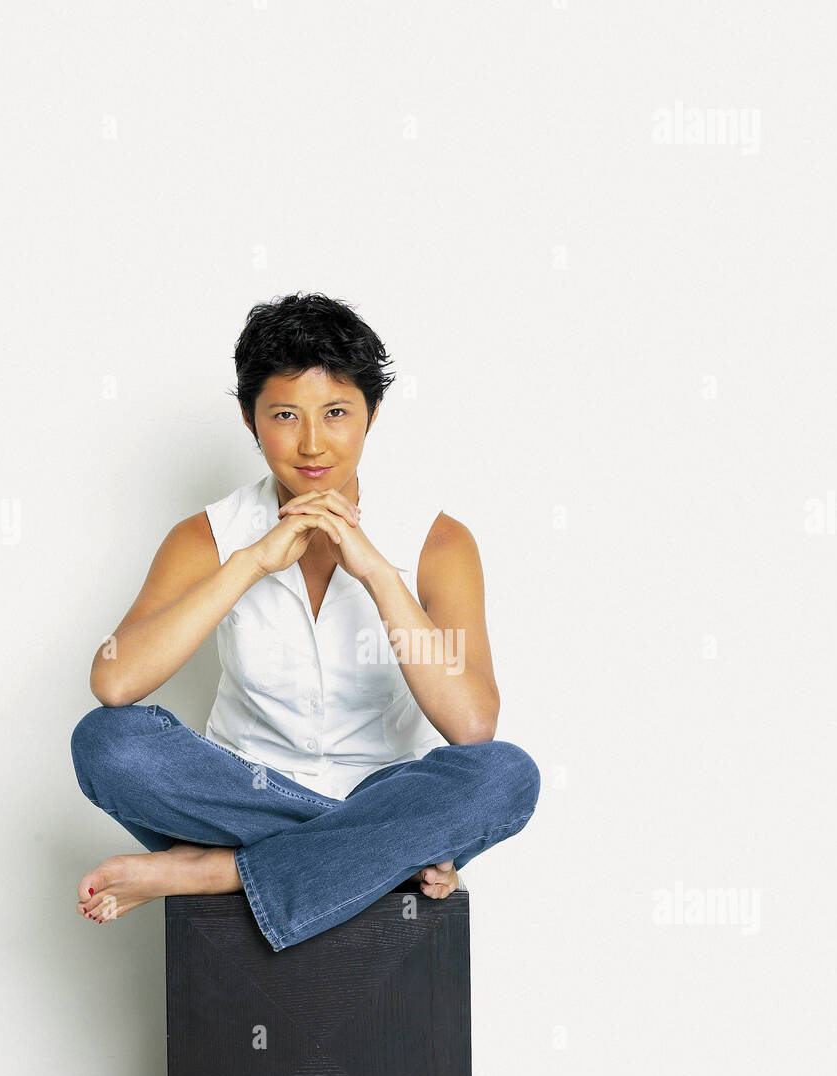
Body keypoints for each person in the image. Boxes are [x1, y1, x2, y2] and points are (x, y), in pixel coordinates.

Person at [70, 292, 541, 951]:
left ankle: (218, 873)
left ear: (372, 415)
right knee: (104, 743)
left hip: (385, 787)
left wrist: (378, 573)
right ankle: (378, 856)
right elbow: (114, 684)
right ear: (249, 419)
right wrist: (250, 563)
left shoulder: (439, 543)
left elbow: (472, 726)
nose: (312, 443)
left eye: (337, 413)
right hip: (244, 793)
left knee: (507, 775)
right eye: (285, 415)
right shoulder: (206, 536)